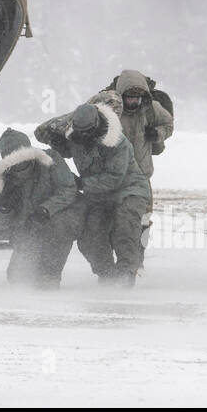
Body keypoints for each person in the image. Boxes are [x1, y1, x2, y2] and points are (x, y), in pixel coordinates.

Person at [38, 103, 151, 287]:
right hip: (97, 194)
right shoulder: (76, 136)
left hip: (129, 189)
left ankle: (126, 273)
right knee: (89, 233)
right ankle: (107, 274)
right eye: (80, 132)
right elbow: (67, 149)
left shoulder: (118, 143)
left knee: (125, 225)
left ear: (97, 125)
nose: (83, 136)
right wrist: (57, 143)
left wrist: (82, 183)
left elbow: (114, 178)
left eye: (87, 132)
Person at [0, 128, 83, 289]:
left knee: (59, 226)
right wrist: (4, 208)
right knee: (17, 277)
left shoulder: (50, 159)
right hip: (31, 226)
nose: (21, 164)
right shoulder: (2, 180)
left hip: (64, 213)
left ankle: (50, 275)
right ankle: (38, 268)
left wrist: (46, 209)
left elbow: (68, 190)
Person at [90, 69, 173, 181]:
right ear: (121, 96)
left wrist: (157, 133)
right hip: (114, 175)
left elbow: (168, 124)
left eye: (136, 98)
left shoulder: (151, 108)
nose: (133, 102)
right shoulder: (109, 108)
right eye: (129, 98)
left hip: (142, 174)